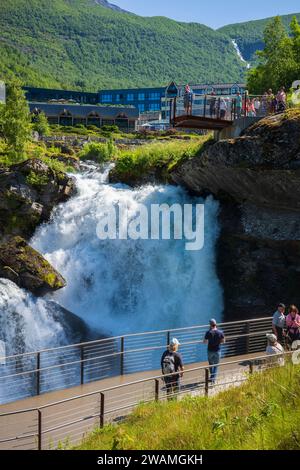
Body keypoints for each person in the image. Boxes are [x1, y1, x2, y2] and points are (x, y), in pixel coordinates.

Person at [203, 319, 225, 383]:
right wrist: (218, 341)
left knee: (210, 364)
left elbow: (204, 342)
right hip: (217, 351)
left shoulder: (208, 332)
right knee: (216, 365)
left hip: (210, 350)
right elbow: (223, 341)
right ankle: (213, 379)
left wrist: (209, 340)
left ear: (210, 325)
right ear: (216, 324)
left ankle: (212, 377)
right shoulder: (220, 332)